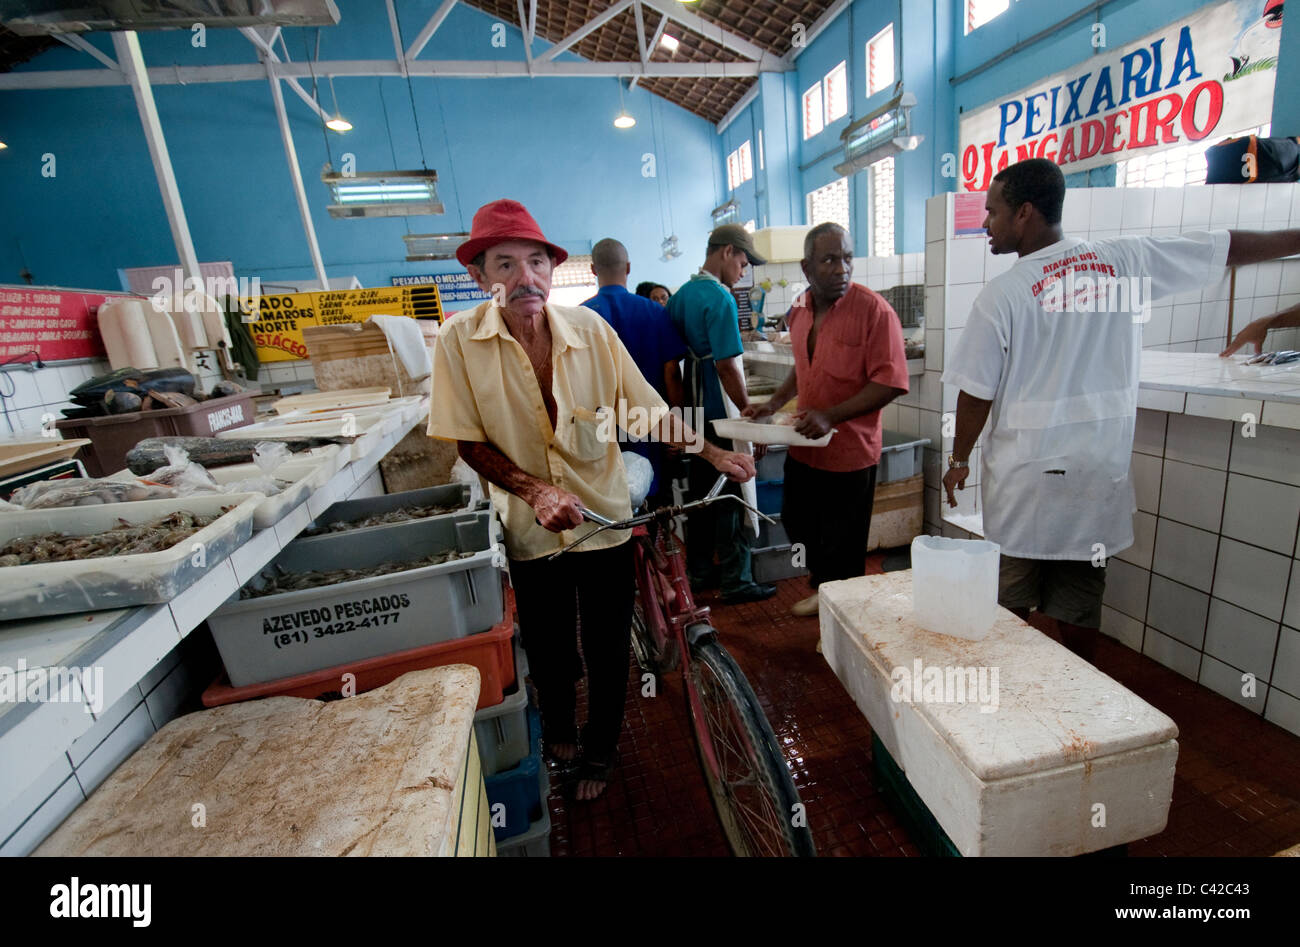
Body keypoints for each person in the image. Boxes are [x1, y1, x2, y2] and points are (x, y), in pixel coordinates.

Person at [428, 200, 756, 800]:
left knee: (606, 646)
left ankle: (602, 746)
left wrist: (712, 453)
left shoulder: (590, 331)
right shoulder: (457, 342)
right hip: (533, 529)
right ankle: (558, 725)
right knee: (551, 647)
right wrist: (533, 489)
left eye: (536, 262)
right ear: (479, 276)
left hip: (604, 519)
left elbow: (646, 410)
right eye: (505, 264)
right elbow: (465, 438)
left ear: (552, 271)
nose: (524, 277)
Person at [942, 158, 1300, 662]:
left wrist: (958, 461)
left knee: (1009, 602)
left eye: (992, 212)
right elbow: (1222, 247)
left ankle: (1008, 695)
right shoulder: (1123, 261)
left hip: (1027, 481)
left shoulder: (1004, 295)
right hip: (1096, 476)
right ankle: (1090, 700)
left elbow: (975, 392)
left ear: (1025, 213)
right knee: (1080, 606)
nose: (985, 223)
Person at [744, 223, 909, 617]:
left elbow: (891, 383)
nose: (842, 269)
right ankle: (825, 588)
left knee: (843, 542)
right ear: (807, 267)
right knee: (799, 522)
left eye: (848, 258)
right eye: (830, 260)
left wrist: (831, 416)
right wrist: (773, 404)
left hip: (849, 453)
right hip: (806, 448)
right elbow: (803, 367)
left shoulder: (874, 312)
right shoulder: (800, 309)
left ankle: (843, 617)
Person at [667, 224, 776, 604]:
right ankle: (736, 579)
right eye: (743, 263)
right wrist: (749, 413)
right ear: (727, 252)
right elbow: (728, 365)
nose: (743, 272)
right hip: (718, 401)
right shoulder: (721, 298)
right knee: (733, 486)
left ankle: (698, 571)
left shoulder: (680, 296)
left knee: (700, 492)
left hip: (692, 401)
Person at [582, 238, 688, 499]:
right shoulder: (654, 312)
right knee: (656, 501)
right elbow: (672, 372)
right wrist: (681, 427)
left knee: (610, 500)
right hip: (651, 421)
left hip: (603, 425)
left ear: (593, 270)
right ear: (628, 268)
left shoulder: (581, 318)